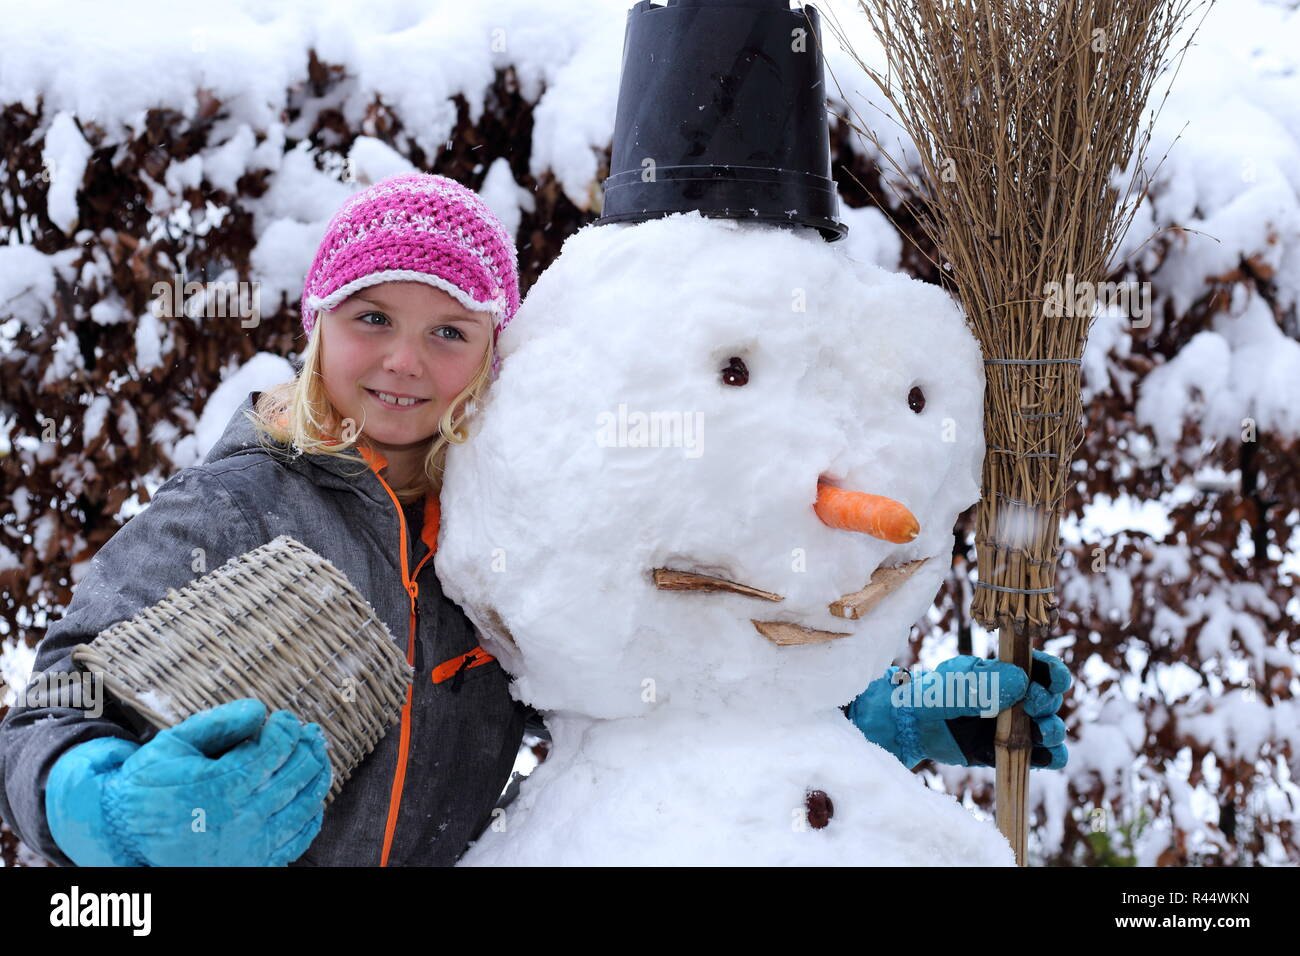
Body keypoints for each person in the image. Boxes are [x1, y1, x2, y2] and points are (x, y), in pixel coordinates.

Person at [0, 172, 528, 866]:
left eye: (449, 332)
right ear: (319, 326)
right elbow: (57, 702)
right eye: (373, 318)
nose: (404, 361)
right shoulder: (233, 506)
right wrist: (114, 811)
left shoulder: (502, 536)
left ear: (494, 355)